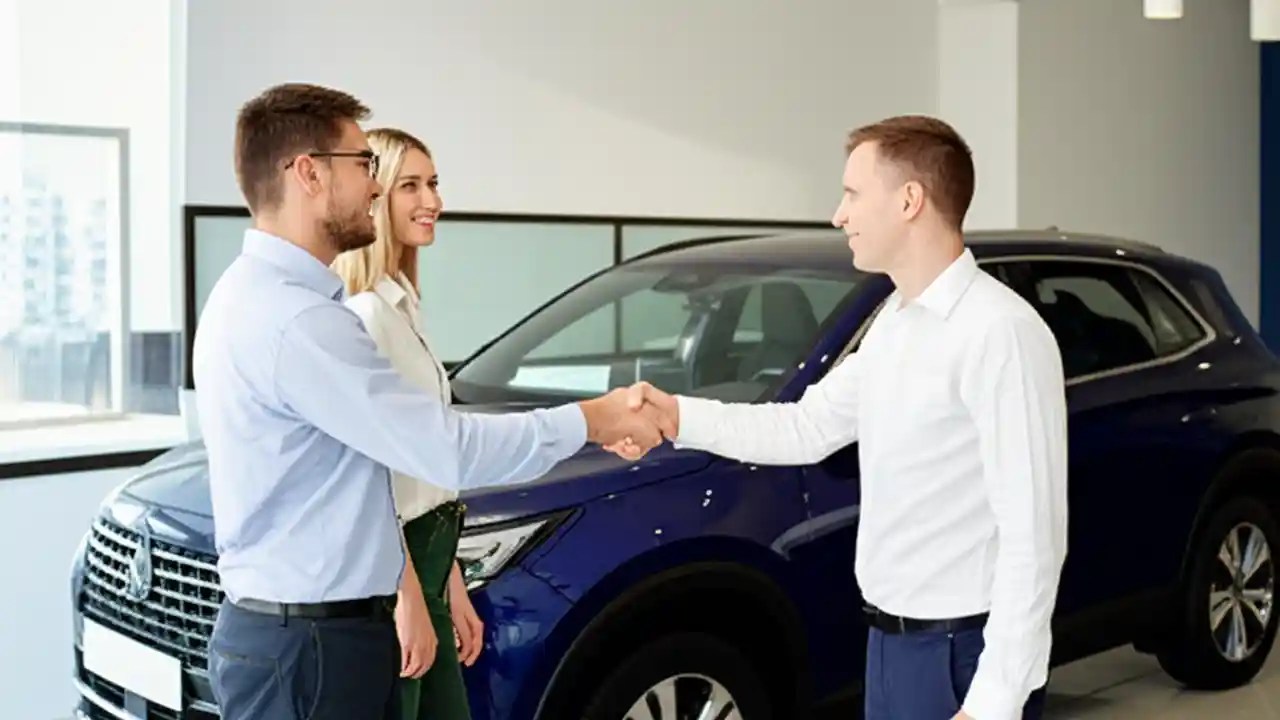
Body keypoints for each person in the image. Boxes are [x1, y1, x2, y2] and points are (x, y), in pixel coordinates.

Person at [192, 82, 669, 720]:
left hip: (309, 636)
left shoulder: (251, 294)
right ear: (307, 173)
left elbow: (359, 479)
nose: (374, 185)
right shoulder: (300, 322)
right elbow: (442, 449)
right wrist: (593, 418)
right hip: (313, 650)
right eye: (364, 165)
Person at [620, 116, 1068, 720]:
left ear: (909, 200)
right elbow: (807, 427)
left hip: (961, 656)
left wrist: (995, 699)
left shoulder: (1001, 333)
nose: (839, 214)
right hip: (891, 646)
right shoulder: (895, 322)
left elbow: (1034, 537)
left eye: (853, 194)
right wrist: (676, 416)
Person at [330, 126, 478, 719]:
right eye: (410, 185)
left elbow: (425, 463)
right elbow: (369, 477)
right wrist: (409, 595)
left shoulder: (404, 305)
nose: (432, 201)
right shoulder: (367, 315)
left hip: (433, 565)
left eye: (434, 184)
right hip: (402, 573)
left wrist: (452, 583)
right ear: (378, 198)